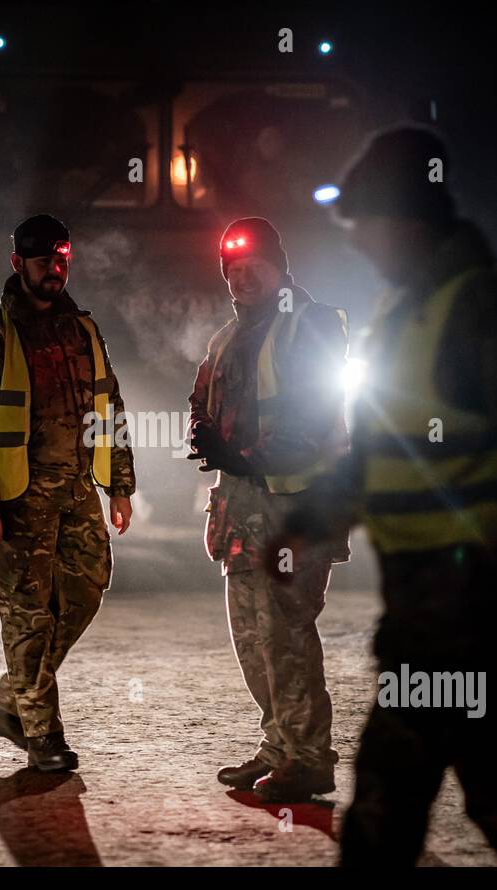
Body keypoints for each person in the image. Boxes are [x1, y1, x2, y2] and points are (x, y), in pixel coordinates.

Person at [288, 125, 497, 864]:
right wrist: (303, 523)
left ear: (403, 220)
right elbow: (375, 458)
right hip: (420, 624)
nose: (358, 242)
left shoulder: (479, 310)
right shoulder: (403, 317)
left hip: (481, 620)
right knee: (389, 813)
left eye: (364, 224)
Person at [0, 214, 136, 772]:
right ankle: (41, 736)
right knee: (28, 611)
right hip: (17, 497)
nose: (52, 271)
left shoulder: (82, 329)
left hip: (77, 490)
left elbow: (111, 408)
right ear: (17, 264)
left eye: (60, 260)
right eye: (41, 261)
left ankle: (12, 699)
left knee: (86, 587)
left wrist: (120, 485)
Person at [187, 217, 351, 802]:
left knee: (286, 632)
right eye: (231, 271)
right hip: (242, 512)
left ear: (279, 267)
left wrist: (244, 453)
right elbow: (202, 397)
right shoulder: (228, 337)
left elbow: (314, 415)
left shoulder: (310, 325)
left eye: (252, 267)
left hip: (297, 511)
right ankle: (280, 745)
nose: (240, 279)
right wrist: (204, 434)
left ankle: (309, 758)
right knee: (253, 636)